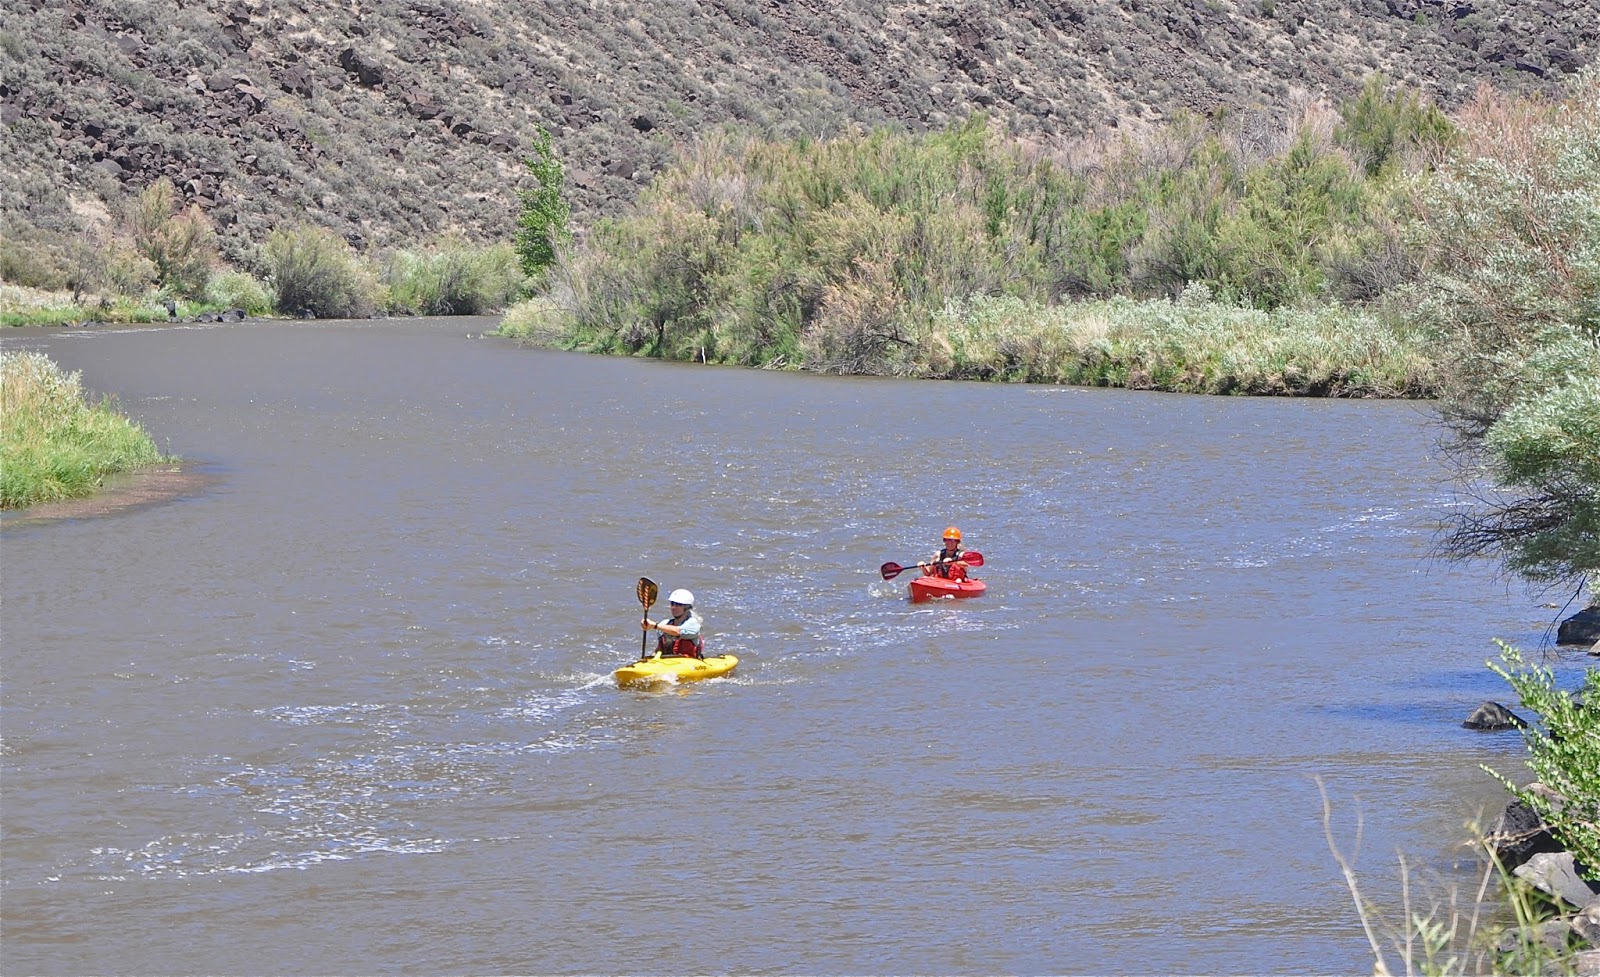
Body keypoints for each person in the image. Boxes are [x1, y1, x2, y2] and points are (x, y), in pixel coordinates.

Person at [642, 588, 705, 658]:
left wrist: (655, 625)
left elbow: (677, 631)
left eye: (678, 605)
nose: (673, 607)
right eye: (672, 604)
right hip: (668, 663)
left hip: (690, 663)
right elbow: (659, 649)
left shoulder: (693, 623)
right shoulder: (664, 624)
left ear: (687, 607)